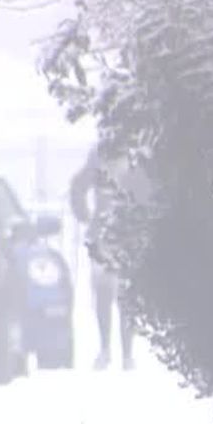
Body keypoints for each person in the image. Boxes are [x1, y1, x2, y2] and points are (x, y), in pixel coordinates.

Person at [69, 147, 136, 371]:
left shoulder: (138, 155)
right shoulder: (100, 154)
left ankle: (126, 354)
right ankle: (106, 350)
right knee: (105, 292)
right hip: (105, 234)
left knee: (126, 294)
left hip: (129, 234)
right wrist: (84, 215)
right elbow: (78, 186)